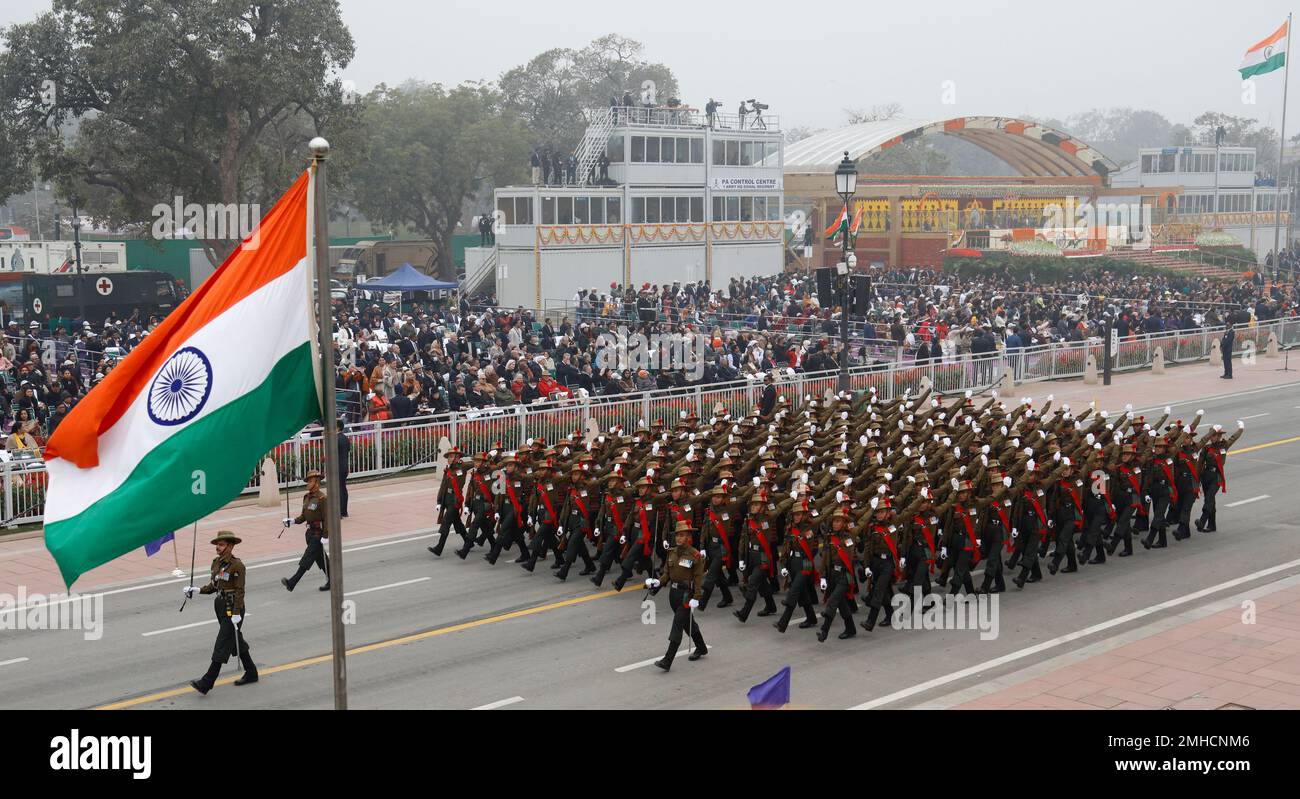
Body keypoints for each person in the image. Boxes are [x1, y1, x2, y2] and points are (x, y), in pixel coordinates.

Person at [184, 531, 258, 694]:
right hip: (220, 605)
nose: (218, 547)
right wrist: (198, 590)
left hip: (233, 607)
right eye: (217, 544)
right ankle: (251, 672)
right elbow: (215, 585)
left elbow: (240, 590)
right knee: (235, 639)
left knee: (222, 643)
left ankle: (207, 682)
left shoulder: (237, 565)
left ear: (230, 546)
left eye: (221, 544)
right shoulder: (216, 563)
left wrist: (237, 613)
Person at [647, 520, 708, 671]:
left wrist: (697, 597)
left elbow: (698, 578)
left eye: (682, 535)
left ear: (688, 537)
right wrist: (658, 582)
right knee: (687, 623)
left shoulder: (695, 555)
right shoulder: (671, 553)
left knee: (677, 625)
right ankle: (701, 647)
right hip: (673, 595)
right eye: (677, 535)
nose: (679, 538)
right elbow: (667, 574)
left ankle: (667, 660)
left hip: (686, 595)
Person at [281, 469, 330, 592]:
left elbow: (327, 518)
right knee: (321, 559)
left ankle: (292, 582)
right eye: (308, 481)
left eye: (310, 481)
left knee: (308, 557)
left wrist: (326, 535)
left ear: (316, 482)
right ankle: (333, 579)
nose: (308, 483)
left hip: (318, 534)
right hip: (309, 533)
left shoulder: (322, 498)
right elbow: (304, 516)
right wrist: (293, 521)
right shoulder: (307, 498)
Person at [336, 420, 351, 518]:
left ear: (337, 427)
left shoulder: (335, 439)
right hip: (344, 466)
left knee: (339, 489)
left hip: (337, 466)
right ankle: (344, 511)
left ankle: (340, 512)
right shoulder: (345, 438)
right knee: (343, 488)